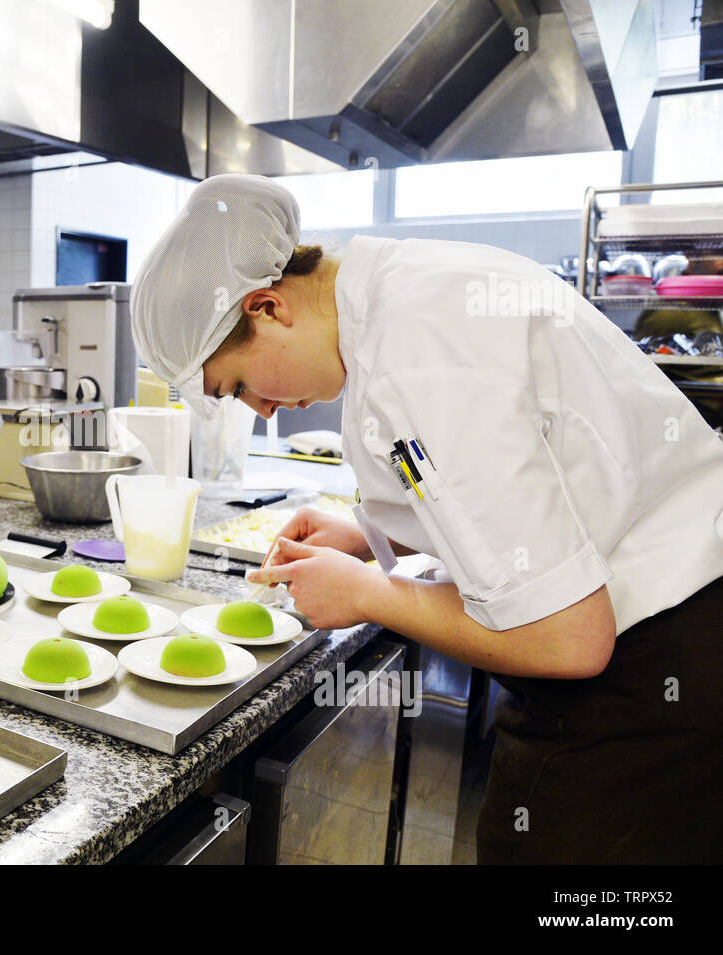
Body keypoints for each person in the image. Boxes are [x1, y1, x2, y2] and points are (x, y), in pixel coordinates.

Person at [130, 174, 723, 864]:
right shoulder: (398, 295)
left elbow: (568, 637)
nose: (258, 410)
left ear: (267, 307)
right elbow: (514, 493)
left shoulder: (417, 357)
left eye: (235, 385)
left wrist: (369, 592)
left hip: (658, 665)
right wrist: (371, 533)